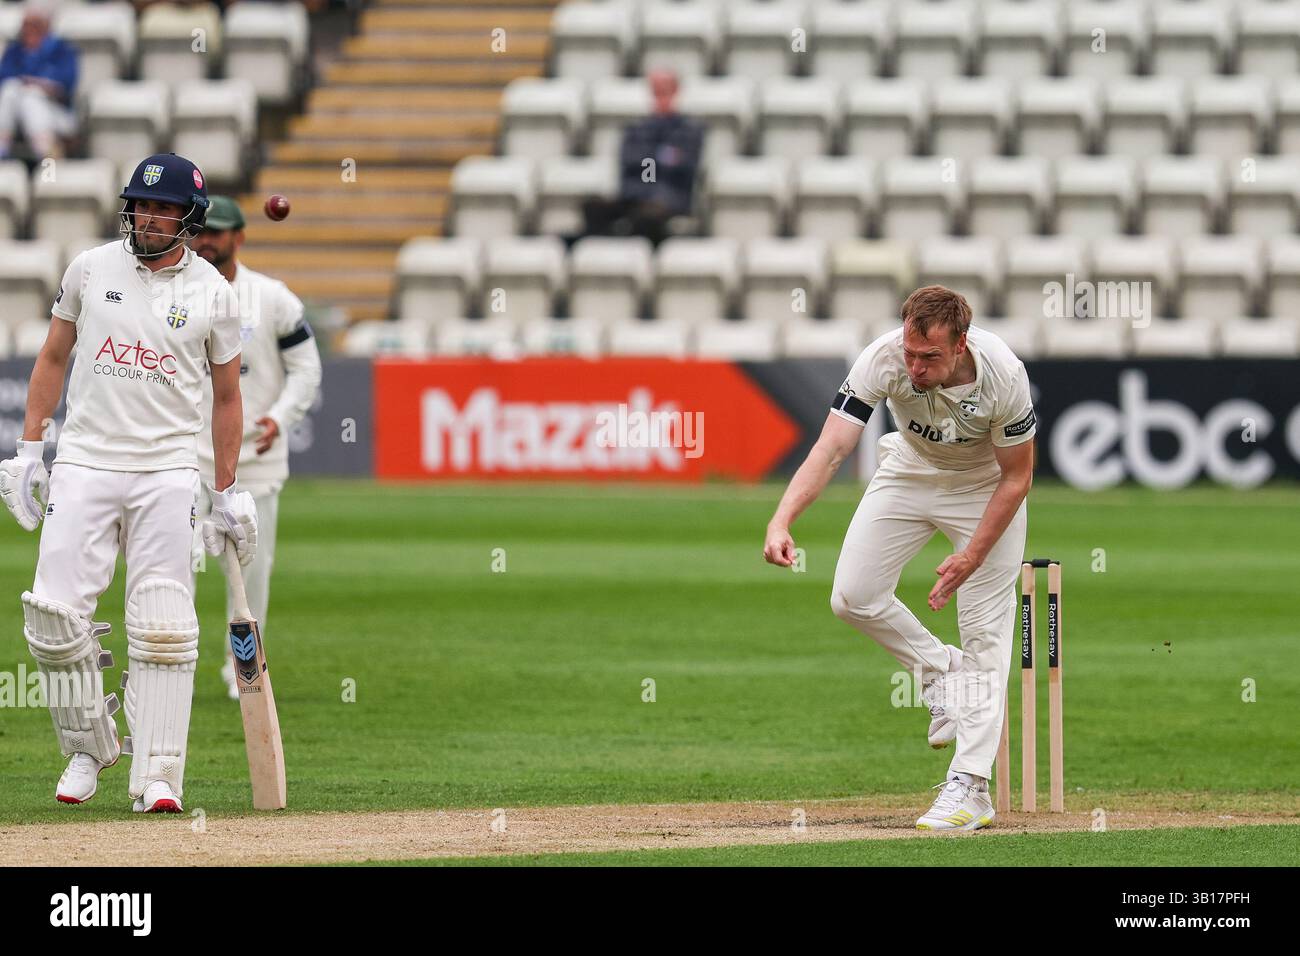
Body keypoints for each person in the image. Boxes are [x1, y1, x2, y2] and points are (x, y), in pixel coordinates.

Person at [0, 152, 256, 813]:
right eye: (140, 205)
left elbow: (228, 400)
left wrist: (226, 491)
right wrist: (30, 450)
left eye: (162, 208)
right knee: (52, 617)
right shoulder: (90, 269)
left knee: (164, 625)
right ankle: (88, 748)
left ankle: (159, 775)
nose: (146, 217)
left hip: (168, 469)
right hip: (85, 459)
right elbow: (54, 356)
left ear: (189, 219)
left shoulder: (215, 296)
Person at [762, 286, 1037, 832]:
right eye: (910, 352)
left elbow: (1018, 477)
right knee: (852, 597)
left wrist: (970, 556)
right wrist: (781, 518)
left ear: (961, 343)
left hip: (984, 489)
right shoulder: (883, 357)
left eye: (929, 357)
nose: (914, 366)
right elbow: (832, 448)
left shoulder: (1004, 373)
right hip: (909, 471)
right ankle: (943, 672)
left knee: (985, 634)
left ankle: (972, 788)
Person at [190, 195, 322, 700]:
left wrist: (280, 417)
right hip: (186, 457)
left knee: (250, 573)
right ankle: (167, 656)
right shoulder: (175, 295)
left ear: (239, 238)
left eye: (217, 233)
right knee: (174, 562)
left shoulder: (274, 299)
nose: (207, 241)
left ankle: (241, 668)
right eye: (201, 231)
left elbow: (307, 368)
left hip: (256, 459)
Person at [581, 68, 704, 246]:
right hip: (635, 196)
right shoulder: (637, 128)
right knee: (593, 207)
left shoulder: (689, 129)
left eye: (665, 90)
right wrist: (659, 156)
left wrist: (649, 158)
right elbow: (630, 159)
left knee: (648, 216)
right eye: (656, 91)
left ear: (676, 92)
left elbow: (683, 164)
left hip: (669, 199)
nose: (660, 97)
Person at [0, 2, 78, 160]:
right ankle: (2, 147)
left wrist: (38, 85)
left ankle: (47, 155)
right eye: (26, 25)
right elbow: (4, 79)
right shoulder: (14, 51)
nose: (30, 30)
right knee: (10, 89)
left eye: (35, 25)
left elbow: (65, 86)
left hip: (56, 113)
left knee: (31, 97)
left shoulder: (62, 51)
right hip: (16, 113)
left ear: (46, 26)